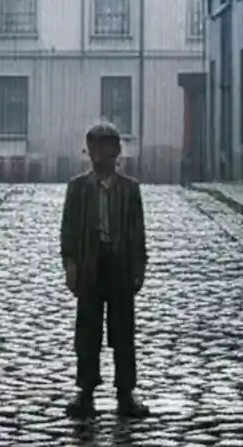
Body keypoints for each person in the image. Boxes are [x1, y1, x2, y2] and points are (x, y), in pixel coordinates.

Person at [60, 122, 151, 419]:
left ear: (116, 151)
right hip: (89, 267)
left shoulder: (130, 189)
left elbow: (138, 233)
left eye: (105, 146)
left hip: (120, 267)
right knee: (87, 332)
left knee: (123, 332)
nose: (99, 152)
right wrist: (70, 264)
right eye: (94, 145)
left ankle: (126, 393)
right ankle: (85, 392)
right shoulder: (77, 188)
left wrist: (139, 267)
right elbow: (69, 231)